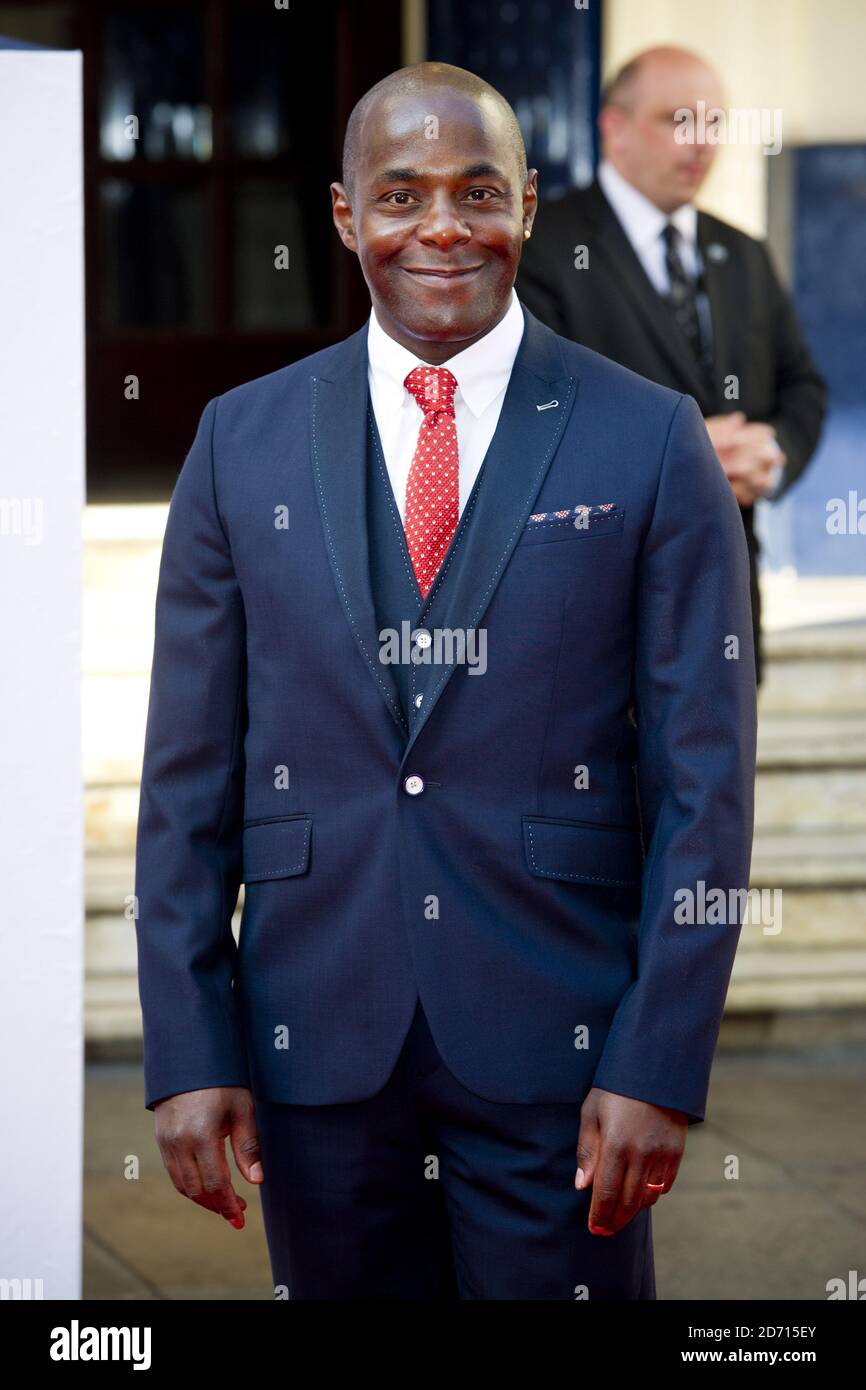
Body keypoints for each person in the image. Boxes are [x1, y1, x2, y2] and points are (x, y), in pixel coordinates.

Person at [134, 61, 756, 1301]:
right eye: (400, 192)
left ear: (528, 205)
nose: (440, 226)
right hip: (315, 1047)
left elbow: (705, 783)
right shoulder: (235, 440)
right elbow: (185, 776)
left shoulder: (647, 436)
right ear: (342, 214)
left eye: (476, 190)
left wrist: (656, 1059)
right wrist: (188, 1047)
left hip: (559, 1051)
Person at [516, 46, 827, 684]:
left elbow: (803, 386)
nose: (701, 142)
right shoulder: (540, 247)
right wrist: (684, 456)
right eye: (677, 120)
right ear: (614, 127)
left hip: (727, 605)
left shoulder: (742, 252)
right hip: (594, 610)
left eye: (714, 123)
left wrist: (772, 452)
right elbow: (525, 413)